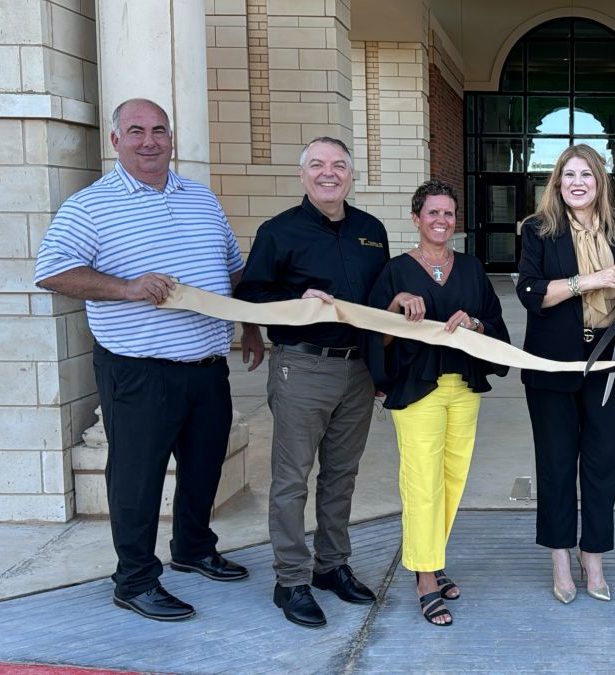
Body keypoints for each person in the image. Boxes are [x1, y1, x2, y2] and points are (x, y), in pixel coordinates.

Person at [33, 98, 263, 622]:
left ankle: (194, 549)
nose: (149, 141)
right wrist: (127, 287)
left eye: (159, 130)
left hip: (206, 366)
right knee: (136, 479)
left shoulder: (201, 199)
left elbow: (232, 271)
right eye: (136, 131)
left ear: (171, 137)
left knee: (204, 466)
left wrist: (249, 325)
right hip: (138, 371)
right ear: (115, 141)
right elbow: (52, 271)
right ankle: (135, 580)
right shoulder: (90, 205)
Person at [234, 137, 389, 628]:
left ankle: (331, 566)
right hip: (302, 367)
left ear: (350, 175)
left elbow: (379, 302)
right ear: (303, 175)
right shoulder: (279, 231)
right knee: (291, 481)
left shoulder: (371, 230)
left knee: (342, 475)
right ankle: (291, 580)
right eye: (318, 165)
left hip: (358, 369)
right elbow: (251, 293)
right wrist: (296, 296)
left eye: (339, 166)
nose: (329, 173)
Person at [516, 144, 615, 605]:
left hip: (610, 360)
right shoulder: (538, 230)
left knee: (603, 464)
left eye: (587, 175)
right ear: (557, 183)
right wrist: (591, 280)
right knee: (557, 463)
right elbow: (529, 292)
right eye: (568, 175)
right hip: (553, 363)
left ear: (600, 182)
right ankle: (560, 556)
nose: (577, 183)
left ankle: (592, 553)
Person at [369, 179, 510, 626]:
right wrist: (395, 306)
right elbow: (376, 336)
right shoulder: (395, 271)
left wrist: (475, 324)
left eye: (448, 213)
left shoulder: (470, 268)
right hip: (417, 389)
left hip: (462, 387)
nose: (441, 220)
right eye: (433, 213)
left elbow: (497, 327)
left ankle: (432, 556)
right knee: (421, 480)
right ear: (416, 219)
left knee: (452, 479)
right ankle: (426, 578)